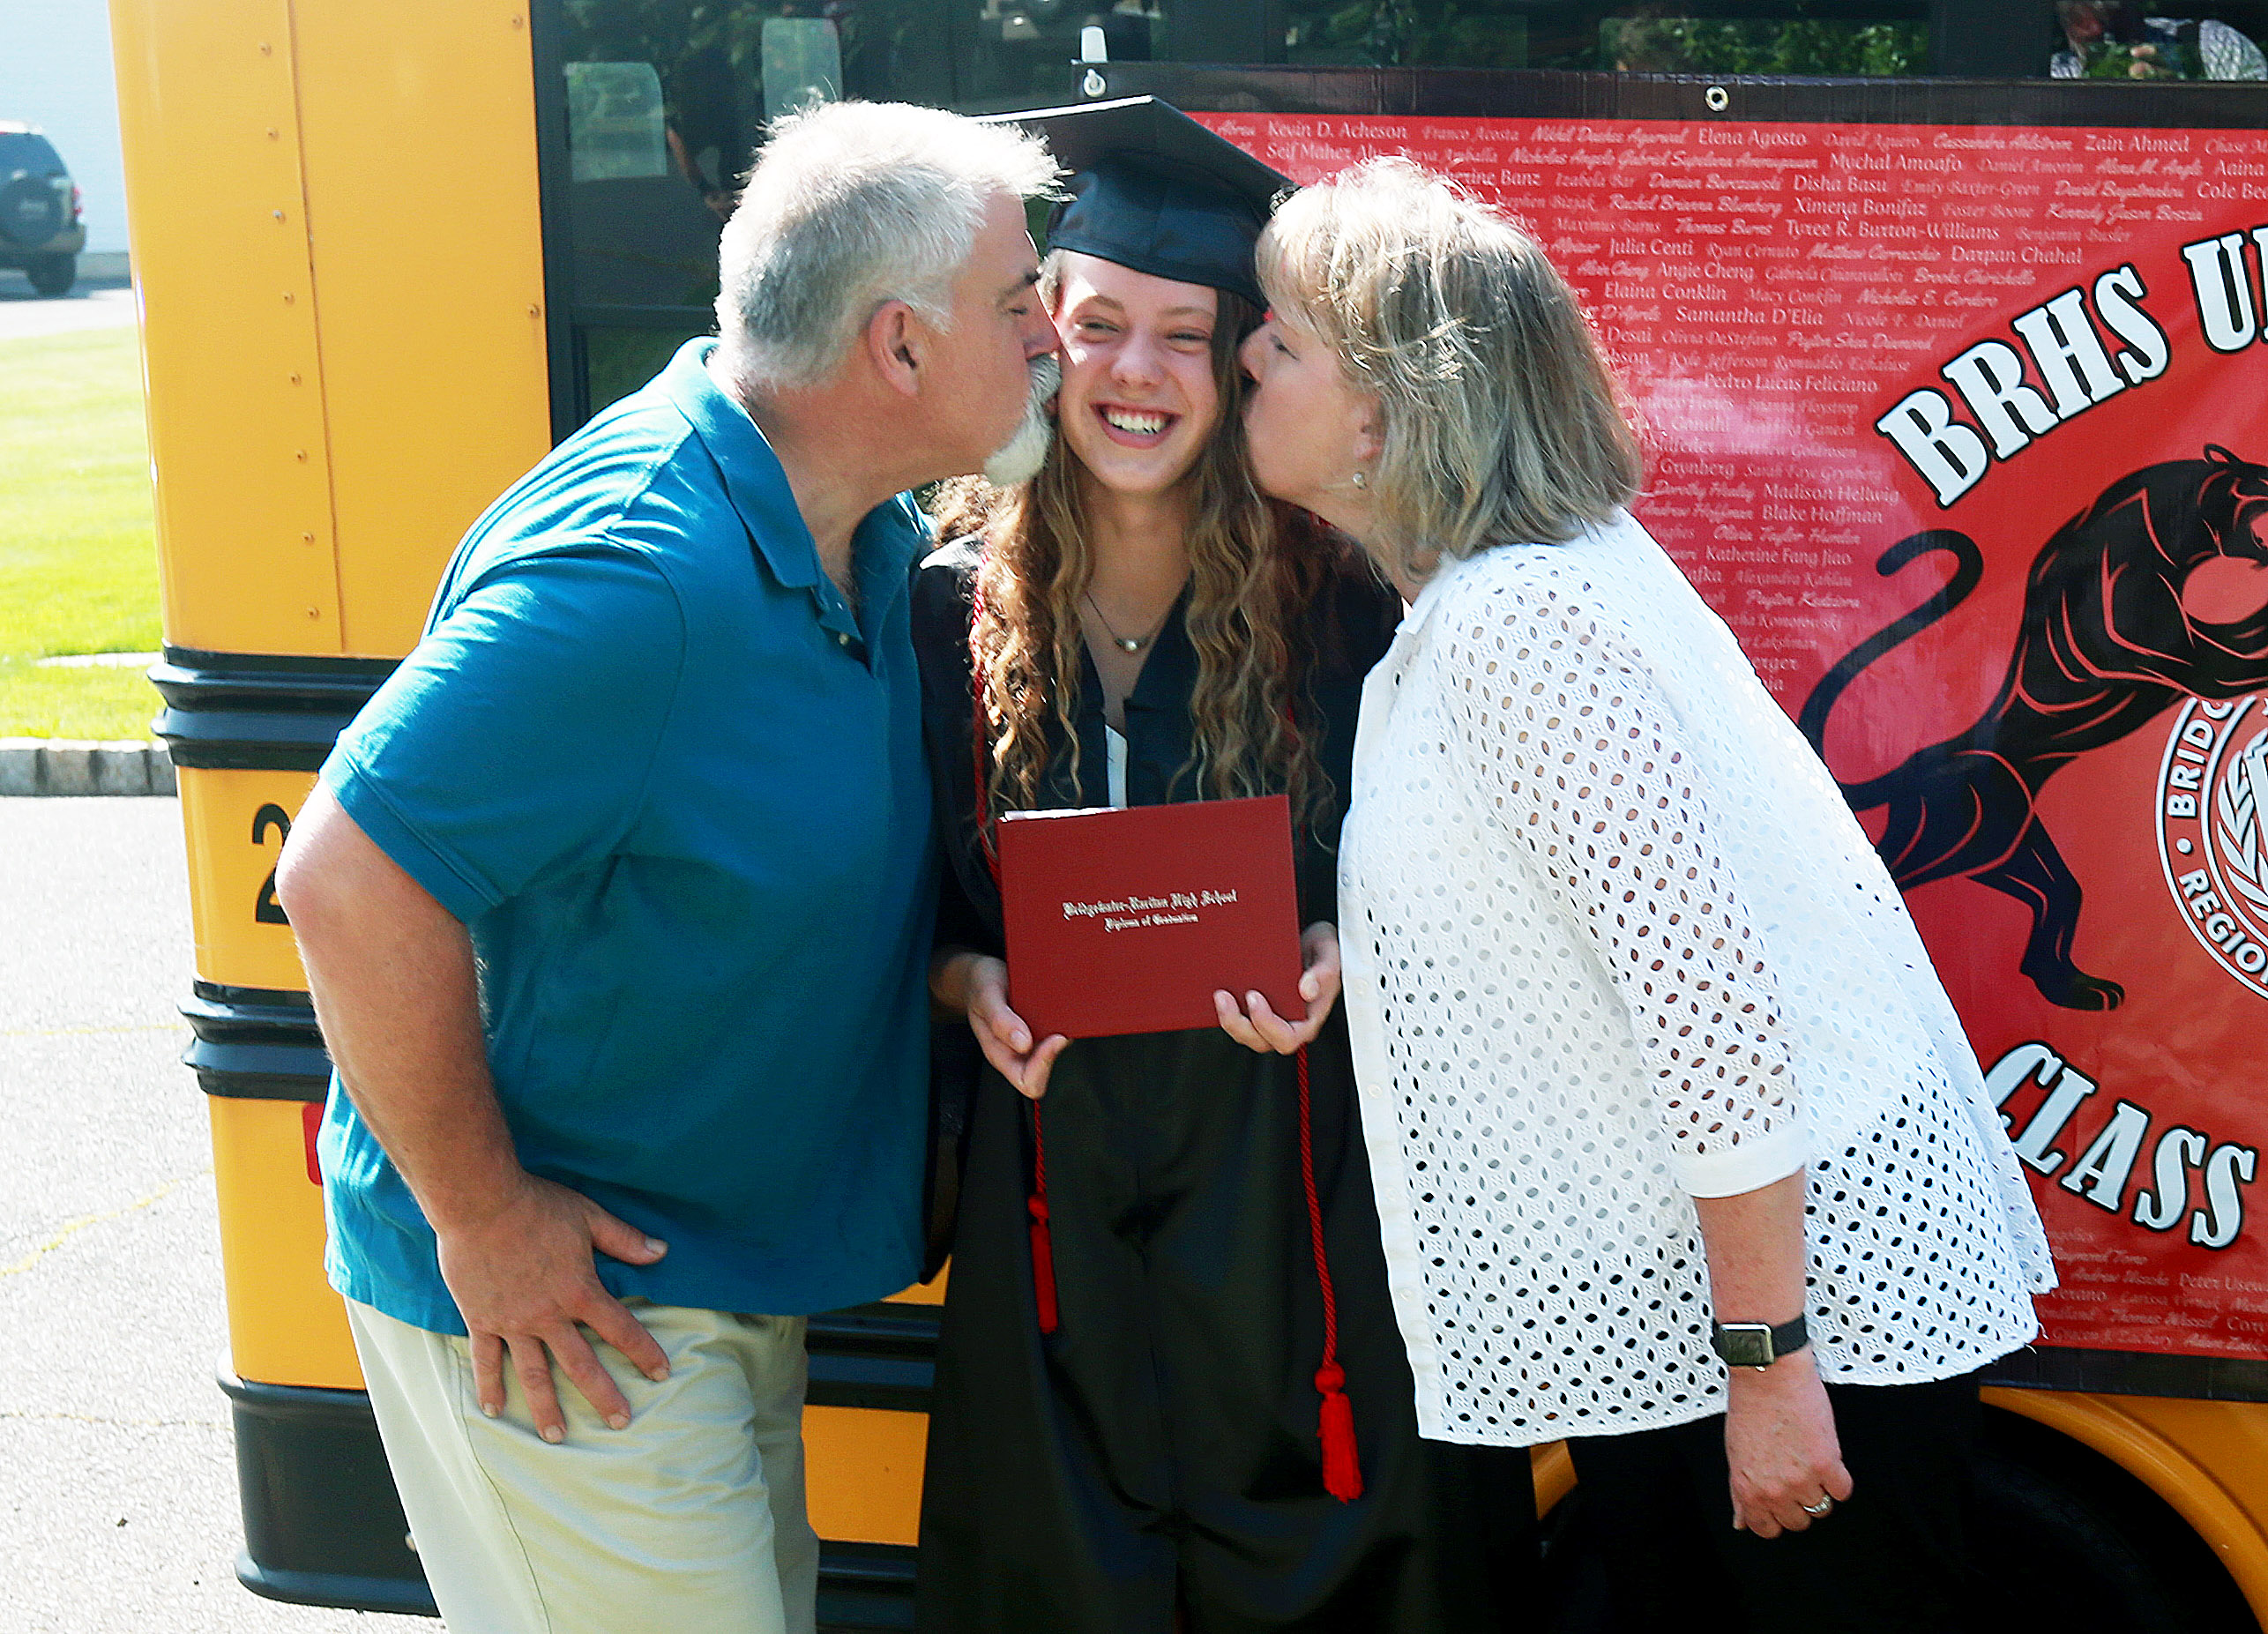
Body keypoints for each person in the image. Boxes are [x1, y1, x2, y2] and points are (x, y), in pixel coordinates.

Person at [1236, 156, 2055, 1631]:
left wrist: (1768, 1362)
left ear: (1381, 406)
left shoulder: (1517, 624)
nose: (1244, 352)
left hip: (1793, 1321)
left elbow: (1710, 1009)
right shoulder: (1520, 589)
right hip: (1711, 1300)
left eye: (1282, 334)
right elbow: (1570, 925)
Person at [272, 101, 1060, 1634]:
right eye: (1018, 300)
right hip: (565, 1313)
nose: (1049, 334)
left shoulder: (855, 529)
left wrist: (953, 971)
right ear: (897, 348)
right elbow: (345, 878)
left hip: (699, 1276)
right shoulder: (639, 576)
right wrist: (487, 1220)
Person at [909, 101, 1535, 1634]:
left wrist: (1344, 955)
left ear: (1240, 356)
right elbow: (903, 901)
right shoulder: (942, 616)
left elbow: (1464, 895)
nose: (1136, 372)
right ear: (1045, 339)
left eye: (1185, 336)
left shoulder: (1346, 606)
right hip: (1053, 1200)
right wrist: (963, 974)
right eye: (1100, 322)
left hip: (1301, 1195)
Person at [2050, 0, 2268, 78]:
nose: (2100, 30)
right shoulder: (2054, 75)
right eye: (2078, 14)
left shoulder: (2213, 45)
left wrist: (2183, 95)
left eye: (2112, 16)